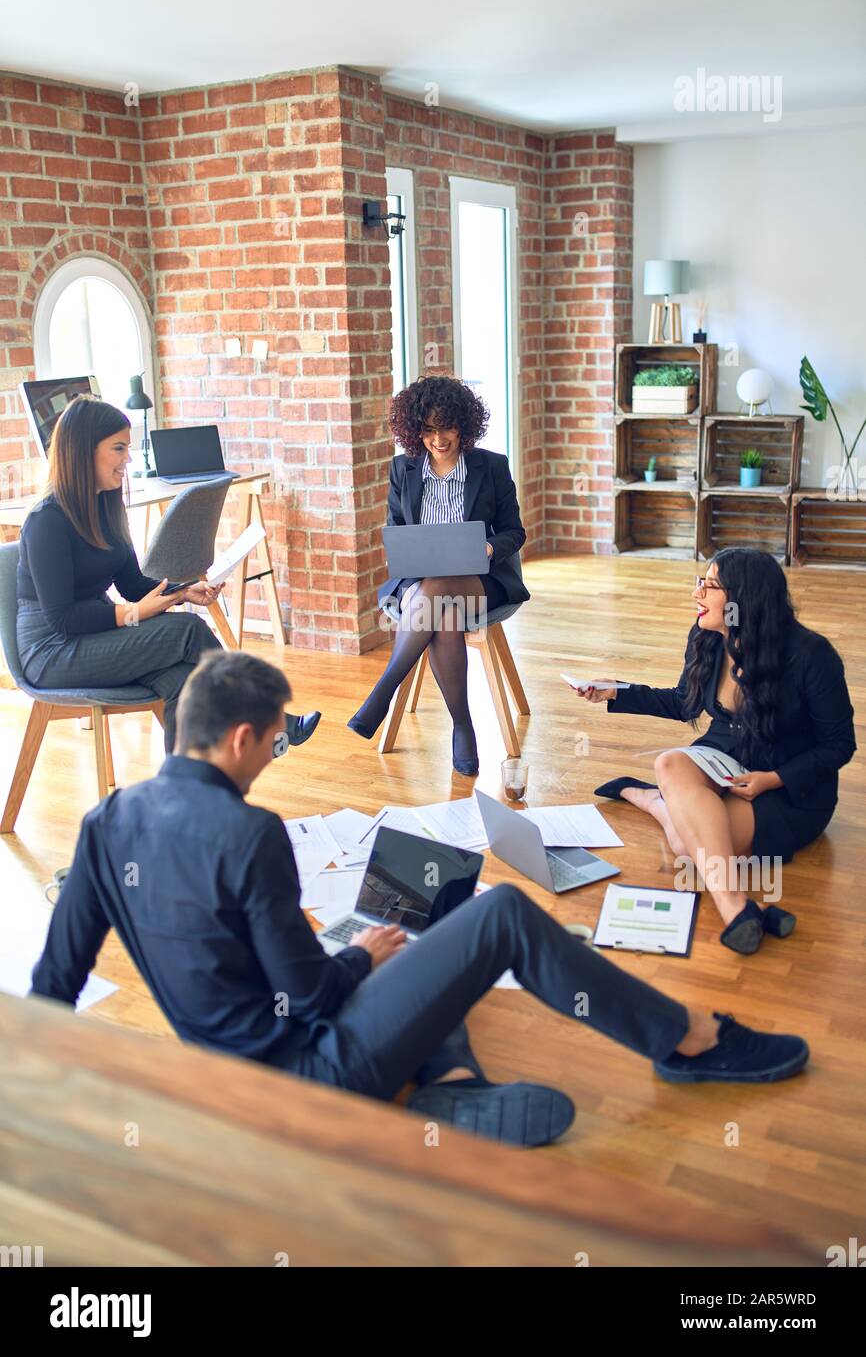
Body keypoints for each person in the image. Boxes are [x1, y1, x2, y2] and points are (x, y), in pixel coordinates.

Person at [32, 649, 810, 1151]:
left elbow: (52, 985)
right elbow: (307, 994)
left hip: (230, 1077)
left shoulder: (106, 821)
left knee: (430, 914)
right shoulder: (249, 832)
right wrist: (357, 955)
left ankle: (453, 1090)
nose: (272, 759)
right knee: (494, 916)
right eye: (274, 743)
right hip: (304, 1077)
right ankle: (689, 1044)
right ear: (241, 738)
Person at [575, 548, 856, 955]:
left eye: (710, 585)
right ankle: (736, 907)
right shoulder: (706, 636)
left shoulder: (811, 656)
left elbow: (839, 746)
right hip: (722, 756)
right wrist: (615, 690)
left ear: (744, 598)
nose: (698, 594)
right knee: (670, 762)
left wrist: (771, 780)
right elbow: (682, 702)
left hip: (789, 786)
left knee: (690, 847)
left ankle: (654, 800)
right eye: (699, 582)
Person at [15, 395, 319, 754]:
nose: (127, 459)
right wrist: (136, 614)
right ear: (83, 451)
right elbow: (63, 618)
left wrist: (182, 591)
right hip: (51, 651)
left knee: (183, 681)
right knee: (187, 630)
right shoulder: (46, 522)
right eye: (118, 448)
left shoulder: (106, 506)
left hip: (93, 634)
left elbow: (131, 584)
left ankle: (184, 793)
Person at [347, 375, 530, 776]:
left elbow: (515, 531)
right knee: (442, 609)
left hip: (482, 581)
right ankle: (463, 726)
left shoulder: (492, 467)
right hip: (421, 584)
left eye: (446, 427)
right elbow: (396, 531)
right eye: (428, 430)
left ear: (463, 425)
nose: (438, 439)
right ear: (415, 432)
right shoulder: (403, 469)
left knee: (442, 590)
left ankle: (382, 692)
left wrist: (488, 547)